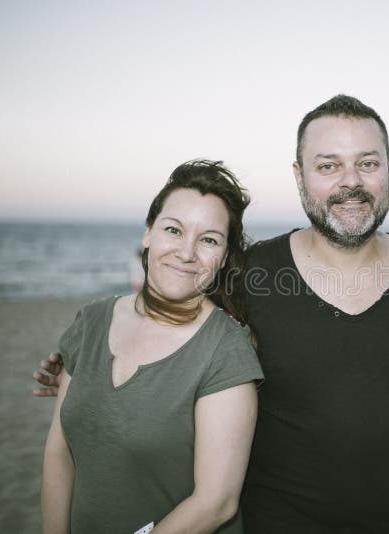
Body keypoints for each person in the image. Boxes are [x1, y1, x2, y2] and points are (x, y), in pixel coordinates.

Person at [35, 96, 389, 533]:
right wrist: (83, 372)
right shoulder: (251, 275)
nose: (351, 182)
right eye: (328, 166)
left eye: (367, 163)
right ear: (299, 176)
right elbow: (173, 332)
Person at [40, 160, 263, 534]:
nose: (187, 252)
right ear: (148, 234)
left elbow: (216, 503)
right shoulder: (92, 321)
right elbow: (59, 452)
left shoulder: (226, 349)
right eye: (174, 230)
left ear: (223, 257)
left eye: (208, 239)